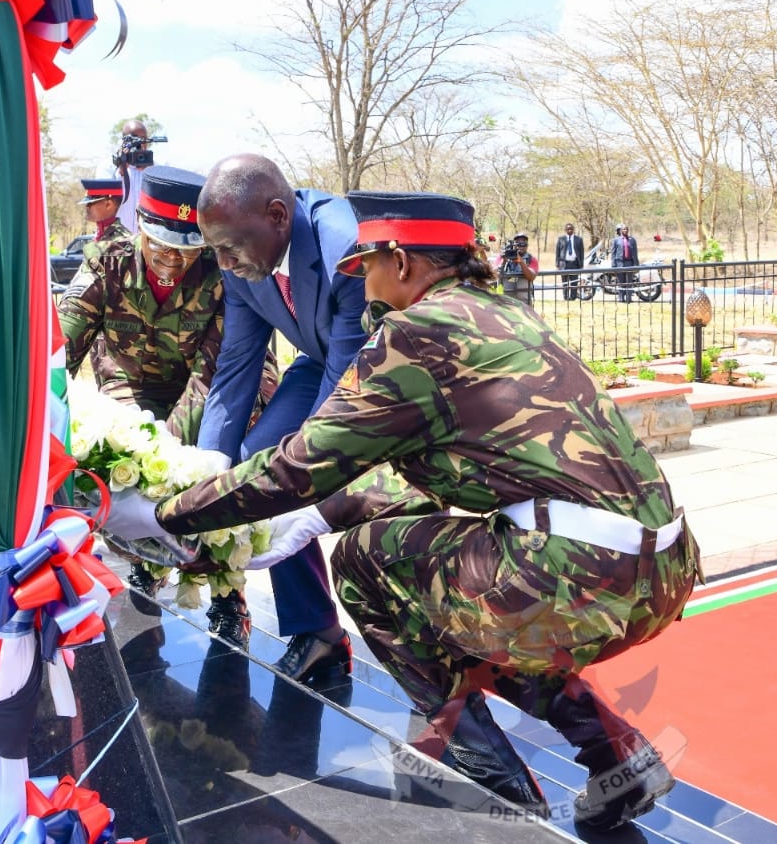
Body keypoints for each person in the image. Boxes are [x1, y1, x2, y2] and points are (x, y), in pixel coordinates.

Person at [110, 191, 700, 829]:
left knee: (365, 564)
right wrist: (323, 513)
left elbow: (299, 466)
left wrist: (166, 514)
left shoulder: (415, 333)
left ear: (401, 261)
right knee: (439, 587)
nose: (362, 283)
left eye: (366, 265)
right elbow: (436, 476)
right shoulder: (501, 313)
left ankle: (482, 769)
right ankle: (614, 751)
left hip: (582, 576)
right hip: (661, 568)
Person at [56, 166, 275, 622]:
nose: (173, 260)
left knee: (214, 475)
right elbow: (59, 350)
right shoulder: (106, 263)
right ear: (139, 224)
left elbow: (215, 378)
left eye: (187, 249)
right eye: (161, 246)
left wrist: (170, 458)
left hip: (220, 389)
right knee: (123, 466)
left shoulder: (221, 272)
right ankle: (148, 561)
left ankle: (227, 592)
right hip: (132, 384)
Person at [191, 153, 368, 684]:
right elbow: (237, 363)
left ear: (277, 216)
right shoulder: (242, 262)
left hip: (378, 377)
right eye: (214, 250)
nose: (223, 264)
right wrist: (209, 465)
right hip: (321, 362)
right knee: (254, 465)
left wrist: (299, 476)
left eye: (229, 247)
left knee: (287, 476)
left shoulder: (345, 248)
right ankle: (318, 629)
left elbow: (348, 382)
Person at [113, 118, 156, 234]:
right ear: (124, 142)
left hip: (147, 238)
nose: (140, 145)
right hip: (120, 237)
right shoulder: (110, 167)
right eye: (135, 140)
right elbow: (105, 201)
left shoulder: (157, 168)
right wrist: (122, 168)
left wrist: (152, 171)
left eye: (143, 140)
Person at [77, 177, 129, 249]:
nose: (87, 206)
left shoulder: (122, 242)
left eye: (90, 203)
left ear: (108, 205)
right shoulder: (99, 235)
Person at [497, 231, 538, 306]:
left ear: (527, 245)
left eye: (523, 243)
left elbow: (532, 276)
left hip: (525, 303)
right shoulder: (504, 256)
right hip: (507, 302)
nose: (521, 246)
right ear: (514, 245)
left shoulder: (531, 259)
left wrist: (521, 262)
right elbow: (494, 273)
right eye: (518, 243)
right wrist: (504, 261)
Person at [555, 222, 584, 300]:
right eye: (568, 229)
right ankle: (566, 297)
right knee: (565, 282)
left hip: (574, 263)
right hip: (564, 264)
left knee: (574, 282)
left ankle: (573, 298)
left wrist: (581, 264)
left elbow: (581, 252)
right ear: (565, 230)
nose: (570, 230)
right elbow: (557, 252)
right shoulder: (561, 239)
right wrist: (557, 263)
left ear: (573, 230)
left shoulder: (579, 239)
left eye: (571, 229)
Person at [611, 224, 639, 303]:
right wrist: (613, 265)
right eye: (624, 229)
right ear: (621, 231)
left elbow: (635, 253)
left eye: (626, 229)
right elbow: (613, 253)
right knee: (621, 282)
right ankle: (621, 298)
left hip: (629, 263)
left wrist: (636, 264)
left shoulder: (632, 240)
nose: (625, 230)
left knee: (629, 282)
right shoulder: (616, 240)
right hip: (619, 263)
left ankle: (629, 298)